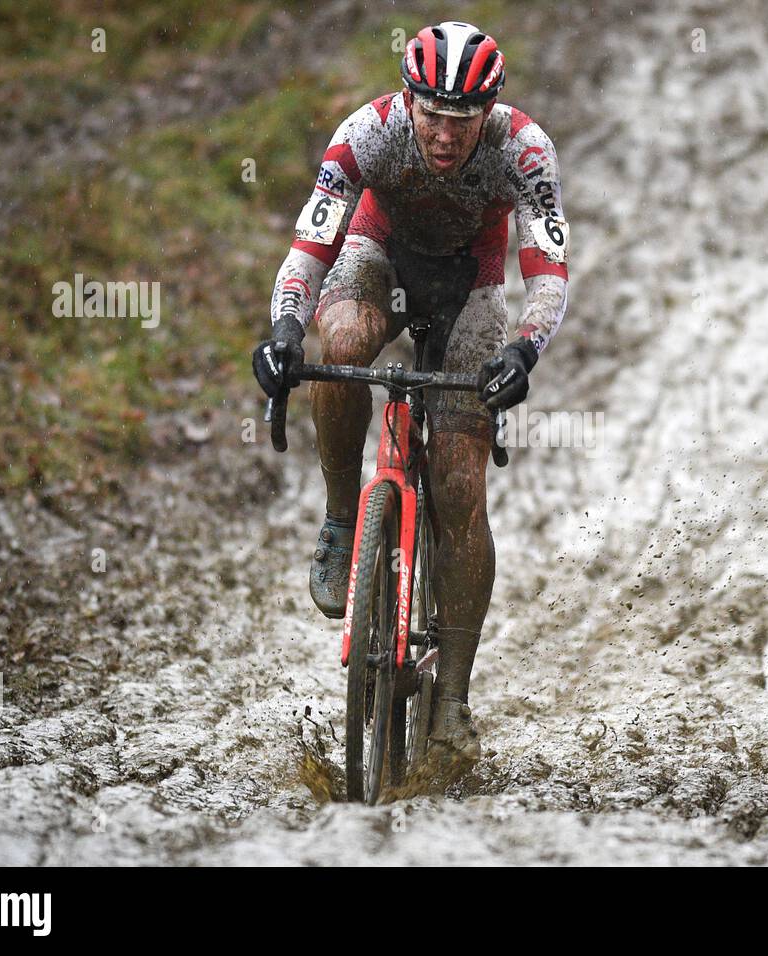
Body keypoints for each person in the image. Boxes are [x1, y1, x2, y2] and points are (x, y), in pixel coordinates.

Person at [252, 20, 569, 785]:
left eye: (464, 120)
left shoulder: (525, 149)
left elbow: (548, 270)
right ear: (408, 101)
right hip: (378, 259)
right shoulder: (366, 134)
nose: (445, 135)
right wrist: (285, 330)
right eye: (432, 115)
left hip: (472, 291)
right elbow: (309, 249)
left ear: (489, 113)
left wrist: (523, 350)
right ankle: (341, 522)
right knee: (341, 347)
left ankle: (452, 698)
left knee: (460, 484)